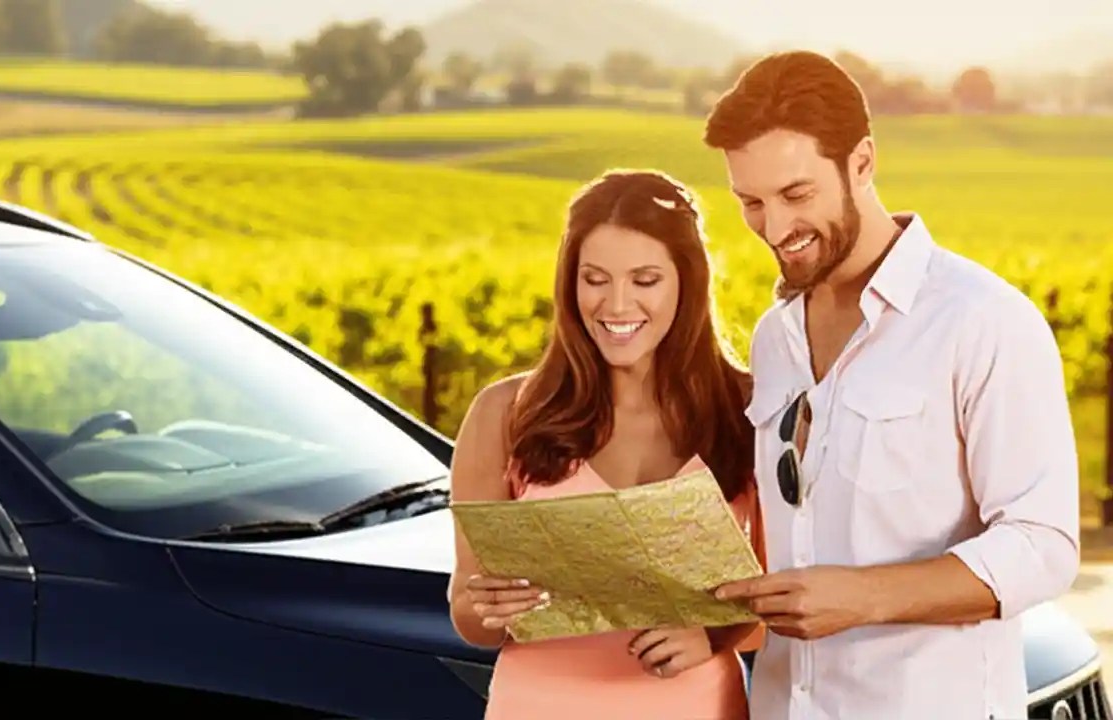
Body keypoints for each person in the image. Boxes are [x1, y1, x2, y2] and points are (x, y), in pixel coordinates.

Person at [704, 51, 1082, 719]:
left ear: (863, 163)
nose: (774, 227)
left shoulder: (982, 320)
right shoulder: (773, 337)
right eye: (750, 202)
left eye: (796, 195)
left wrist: (863, 596)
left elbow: (1043, 545)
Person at [446, 168, 766, 719]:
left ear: (687, 282)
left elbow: (778, 603)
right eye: (595, 279)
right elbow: (467, 616)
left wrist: (712, 638)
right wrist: (488, 607)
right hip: (540, 704)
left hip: (693, 705)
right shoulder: (503, 414)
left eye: (645, 281)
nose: (616, 306)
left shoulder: (749, 410)